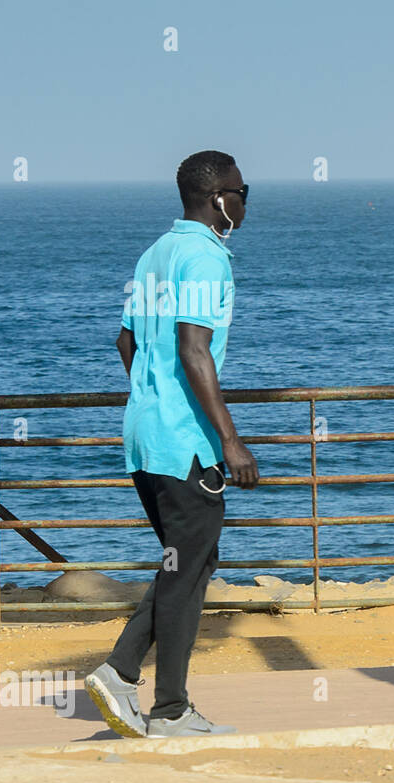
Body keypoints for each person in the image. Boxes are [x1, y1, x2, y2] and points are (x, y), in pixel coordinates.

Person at [84, 150, 258, 737]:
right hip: (185, 442)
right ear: (217, 200)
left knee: (186, 563)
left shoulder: (155, 254)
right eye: (240, 191)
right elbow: (193, 349)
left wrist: (150, 398)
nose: (243, 201)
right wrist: (230, 441)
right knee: (187, 567)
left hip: (144, 434)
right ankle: (149, 692)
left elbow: (125, 342)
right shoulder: (206, 258)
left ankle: (148, 692)